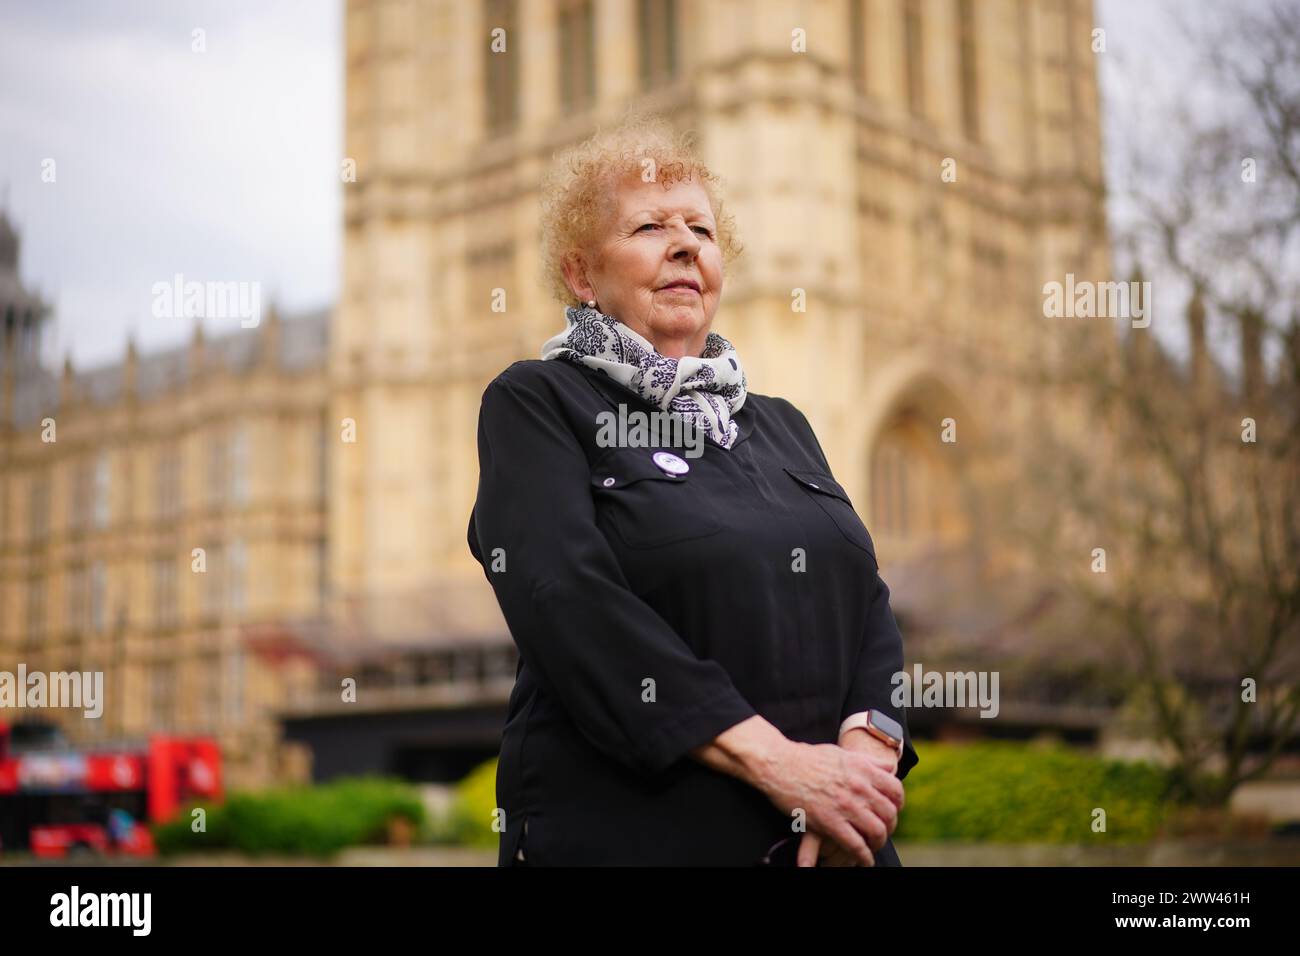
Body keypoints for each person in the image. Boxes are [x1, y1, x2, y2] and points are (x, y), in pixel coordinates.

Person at [468, 115, 918, 866]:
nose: (685, 245)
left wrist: (863, 768)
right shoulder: (538, 403)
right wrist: (779, 764)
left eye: (701, 231)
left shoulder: (780, 425)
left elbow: (866, 600)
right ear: (582, 274)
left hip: (834, 844)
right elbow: (567, 601)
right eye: (649, 226)